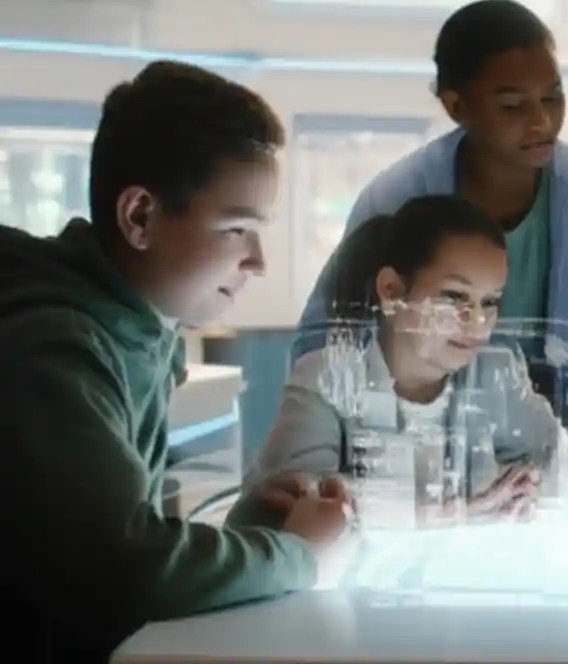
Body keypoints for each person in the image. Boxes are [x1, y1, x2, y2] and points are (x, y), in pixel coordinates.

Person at [0, 61, 349, 661]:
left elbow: (115, 537)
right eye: (238, 229)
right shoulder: (52, 349)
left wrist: (252, 533)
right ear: (140, 216)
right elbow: (119, 574)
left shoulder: (138, 328)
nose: (258, 261)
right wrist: (299, 557)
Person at [295, 0, 568, 411]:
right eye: (513, 106)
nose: (542, 122)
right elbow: (328, 330)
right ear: (456, 105)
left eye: (552, 98)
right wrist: (353, 428)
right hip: (415, 427)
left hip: (543, 426)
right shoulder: (396, 197)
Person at [231, 196, 561, 529]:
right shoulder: (327, 378)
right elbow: (300, 509)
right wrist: (448, 512)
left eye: (489, 302)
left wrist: (523, 486)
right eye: (454, 296)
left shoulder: (496, 373)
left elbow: (559, 461)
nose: (476, 321)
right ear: (391, 291)